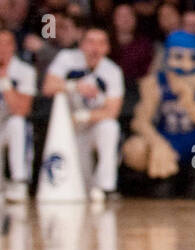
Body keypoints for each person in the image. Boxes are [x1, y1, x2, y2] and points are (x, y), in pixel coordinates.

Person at [122, 30, 195, 196]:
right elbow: (140, 121)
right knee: (135, 148)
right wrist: (157, 143)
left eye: (192, 57)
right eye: (179, 57)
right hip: (166, 136)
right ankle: (160, 181)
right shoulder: (154, 83)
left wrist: (189, 103)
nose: (185, 64)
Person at [41, 25, 124, 202]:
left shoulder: (113, 71)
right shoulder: (66, 58)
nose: (95, 48)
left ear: (107, 48)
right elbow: (48, 87)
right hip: (68, 129)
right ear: (81, 44)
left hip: (92, 125)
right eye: (91, 42)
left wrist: (84, 116)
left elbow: (112, 111)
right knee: (82, 182)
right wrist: (73, 86)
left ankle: (106, 187)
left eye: (101, 43)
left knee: (110, 127)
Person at [0, 28, 36, 201]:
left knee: (18, 123)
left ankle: (19, 181)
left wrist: (5, 81)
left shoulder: (24, 71)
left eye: (5, 44)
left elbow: (21, 110)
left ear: (13, 46)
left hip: (9, 124)